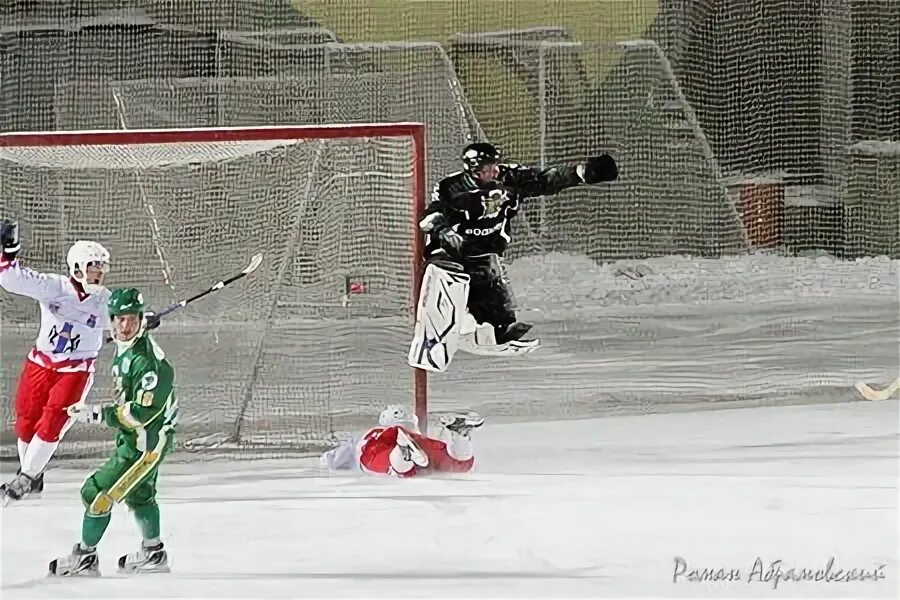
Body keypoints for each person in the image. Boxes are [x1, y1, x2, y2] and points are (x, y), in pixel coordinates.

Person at [408, 143, 618, 371]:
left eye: (495, 166)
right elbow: (431, 215)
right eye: (487, 169)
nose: (494, 172)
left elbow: (545, 179)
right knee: (451, 284)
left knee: (493, 293)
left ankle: (495, 333)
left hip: (484, 251)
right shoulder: (452, 186)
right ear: (473, 171)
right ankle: (432, 343)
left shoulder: (510, 178)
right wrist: (444, 231)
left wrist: (582, 173)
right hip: (450, 252)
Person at [48, 287, 178, 577]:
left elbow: (142, 412)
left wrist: (98, 414)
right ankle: (154, 553)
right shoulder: (127, 347)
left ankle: (85, 556)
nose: (124, 325)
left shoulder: (147, 361)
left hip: (145, 444)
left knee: (96, 493)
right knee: (140, 495)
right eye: (119, 319)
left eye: (131, 319)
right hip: (137, 439)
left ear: (141, 319)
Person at [0, 219, 112, 503]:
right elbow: (11, 279)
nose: (98, 272)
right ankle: (32, 475)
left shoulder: (106, 300)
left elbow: (126, 319)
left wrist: (141, 319)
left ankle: (25, 478)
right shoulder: (54, 286)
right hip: (40, 362)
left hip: (75, 369)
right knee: (26, 421)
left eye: (101, 267)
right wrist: (10, 250)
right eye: (93, 266)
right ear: (77, 267)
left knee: (53, 420)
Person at [322, 405, 484, 478]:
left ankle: (401, 454)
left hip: (376, 449)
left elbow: (333, 458)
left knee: (383, 460)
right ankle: (460, 436)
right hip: (416, 442)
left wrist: (326, 462)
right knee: (455, 464)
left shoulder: (371, 436)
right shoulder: (412, 433)